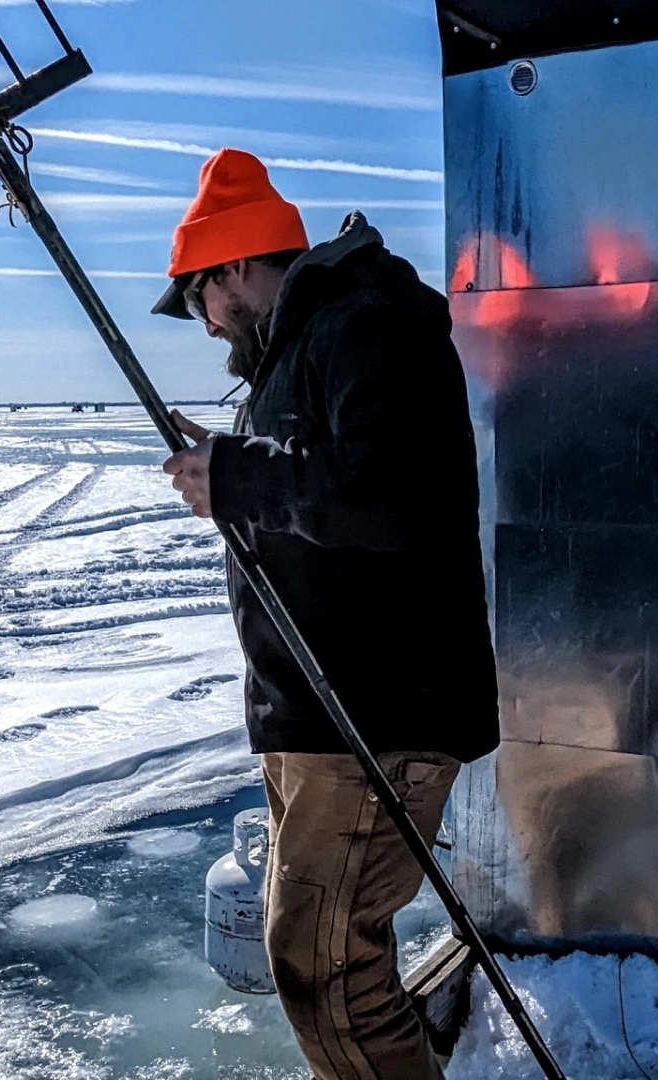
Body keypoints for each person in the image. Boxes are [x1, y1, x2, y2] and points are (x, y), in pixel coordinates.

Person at [156, 149, 498, 1080]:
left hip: (374, 712)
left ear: (229, 268)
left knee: (327, 970)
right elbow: (323, 479)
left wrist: (235, 476)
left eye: (201, 302)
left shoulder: (364, 321)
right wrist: (237, 464)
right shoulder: (316, 336)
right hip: (327, 715)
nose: (207, 324)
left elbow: (387, 493)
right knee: (319, 957)